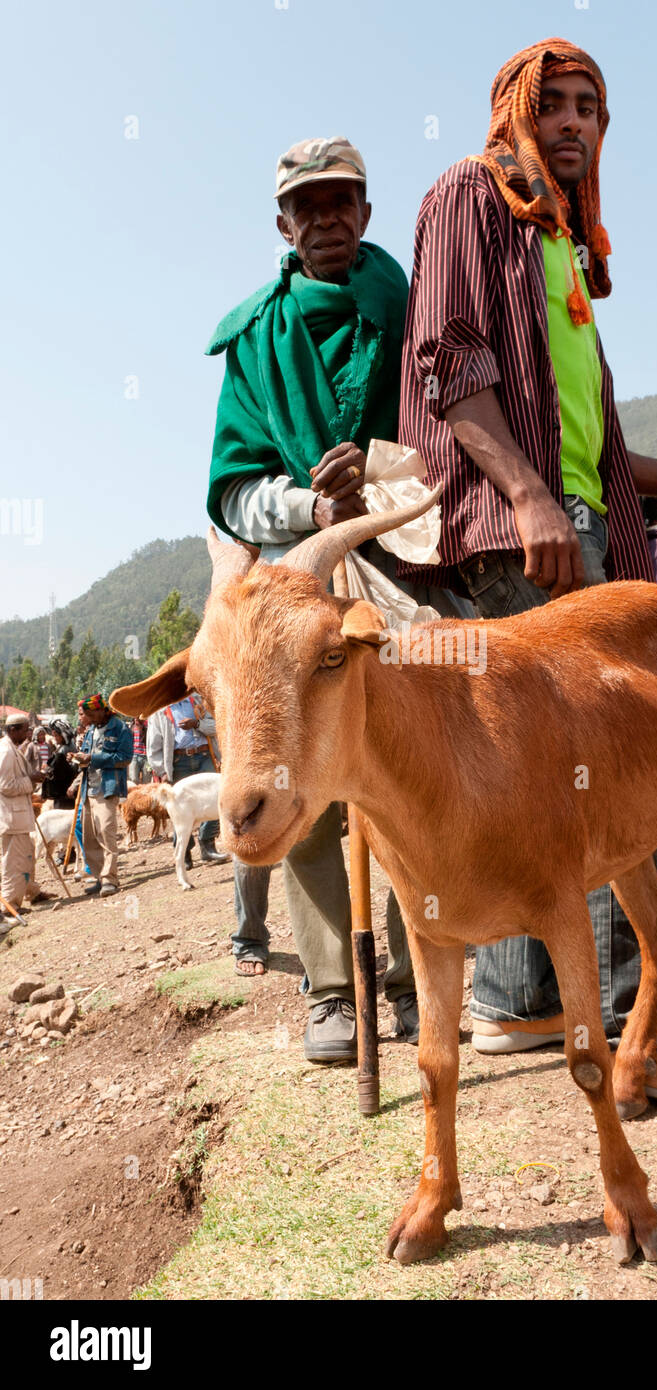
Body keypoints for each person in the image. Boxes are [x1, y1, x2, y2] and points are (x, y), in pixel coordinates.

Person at [400, 38, 657, 1110]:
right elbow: (447, 363)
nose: (573, 125)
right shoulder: (466, 196)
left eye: (590, 110)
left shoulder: (561, 243)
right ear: (511, 111)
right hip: (510, 527)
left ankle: (521, 999)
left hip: (576, 523)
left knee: (533, 777)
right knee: (599, 769)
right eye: (553, 105)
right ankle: (637, 1024)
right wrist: (524, 494)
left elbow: (593, 438)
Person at [205, 135, 438, 1061]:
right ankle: (334, 989)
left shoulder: (414, 306)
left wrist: (381, 487)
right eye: (308, 206)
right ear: (283, 225)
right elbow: (229, 489)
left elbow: (448, 431)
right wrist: (308, 503)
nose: (327, 218)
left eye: (343, 201)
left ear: (367, 214)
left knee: (414, 765)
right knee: (291, 767)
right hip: (286, 592)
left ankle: (419, 969)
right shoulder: (253, 338)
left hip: (411, 566)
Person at [146, 696, 228, 867]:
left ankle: (208, 845)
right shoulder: (159, 710)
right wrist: (162, 770)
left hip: (204, 755)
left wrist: (196, 724)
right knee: (179, 807)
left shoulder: (199, 702)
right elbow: (153, 745)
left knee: (218, 798)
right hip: (178, 761)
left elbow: (216, 727)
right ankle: (185, 853)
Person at [72, 694, 133, 898]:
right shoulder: (92, 730)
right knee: (90, 836)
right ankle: (99, 876)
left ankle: (110, 879)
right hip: (88, 788)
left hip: (107, 787)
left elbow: (124, 758)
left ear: (100, 710)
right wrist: (79, 758)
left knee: (106, 832)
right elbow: (87, 757)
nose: (87, 718)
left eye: (90, 713)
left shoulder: (120, 728)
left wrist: (93, 758)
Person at [0, 713, 41, 919]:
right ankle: (9, 907)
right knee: (13, 864)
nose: (28, 734)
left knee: (23, 860)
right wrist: (30, 780)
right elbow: (5, 786)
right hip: (11, 818)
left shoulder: (13, 749)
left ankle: (26, 895)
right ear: (13, 729)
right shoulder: (6, 751)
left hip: (18, 817)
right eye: (25, 730)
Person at [128, 717, 150, 785]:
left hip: (146, 757)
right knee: (133, 779)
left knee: (146, 780)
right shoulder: (130, 729)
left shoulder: (147, 728)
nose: (136, 719)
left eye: (138, 718)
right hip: (134, 756)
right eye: (135, 718)